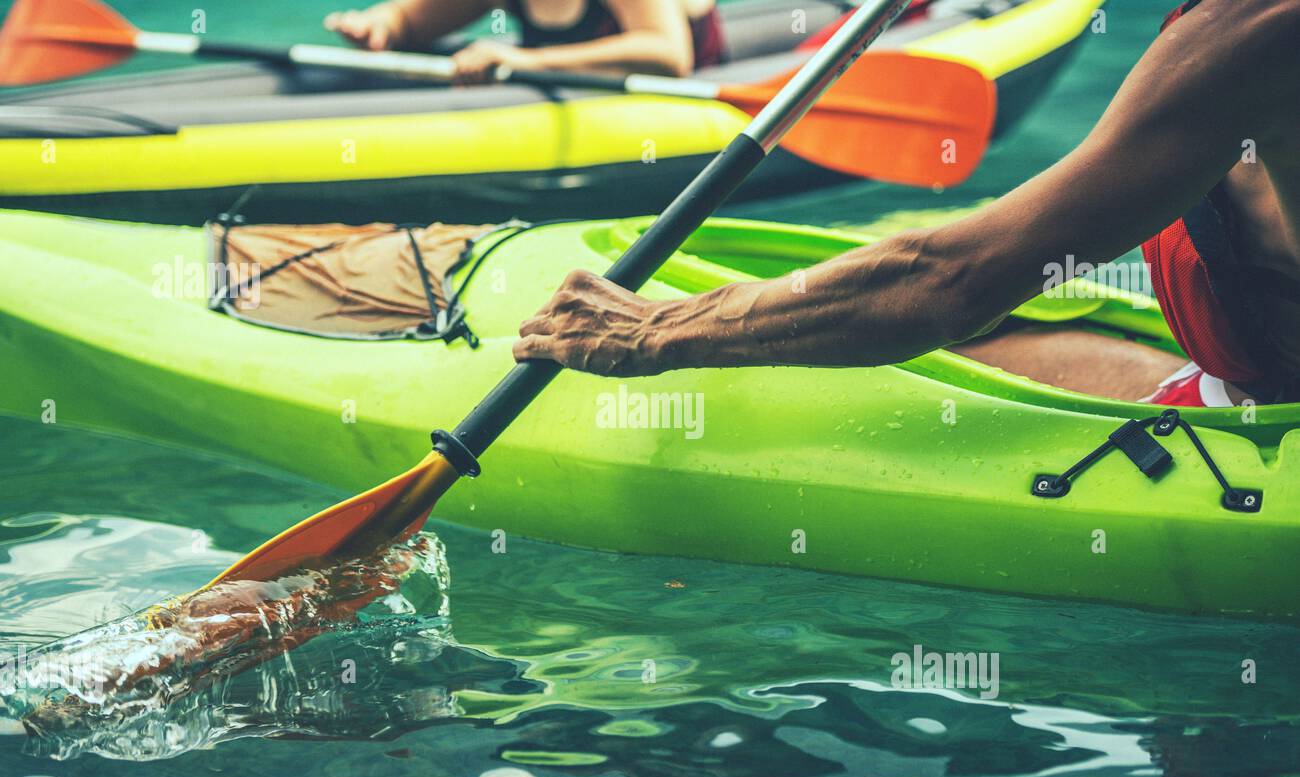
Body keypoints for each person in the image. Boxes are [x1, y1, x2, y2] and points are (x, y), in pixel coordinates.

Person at [513, 0, 1300, 407]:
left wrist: (656, 330)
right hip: (1250, 382)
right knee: (986, 354)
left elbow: (951, 280)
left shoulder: (1248, 36)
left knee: (873, 360)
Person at [325, 0, 725, 83]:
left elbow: (668, 54)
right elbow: (408, 20)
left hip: (703, 69)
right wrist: (379, 25)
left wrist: (526, 60)